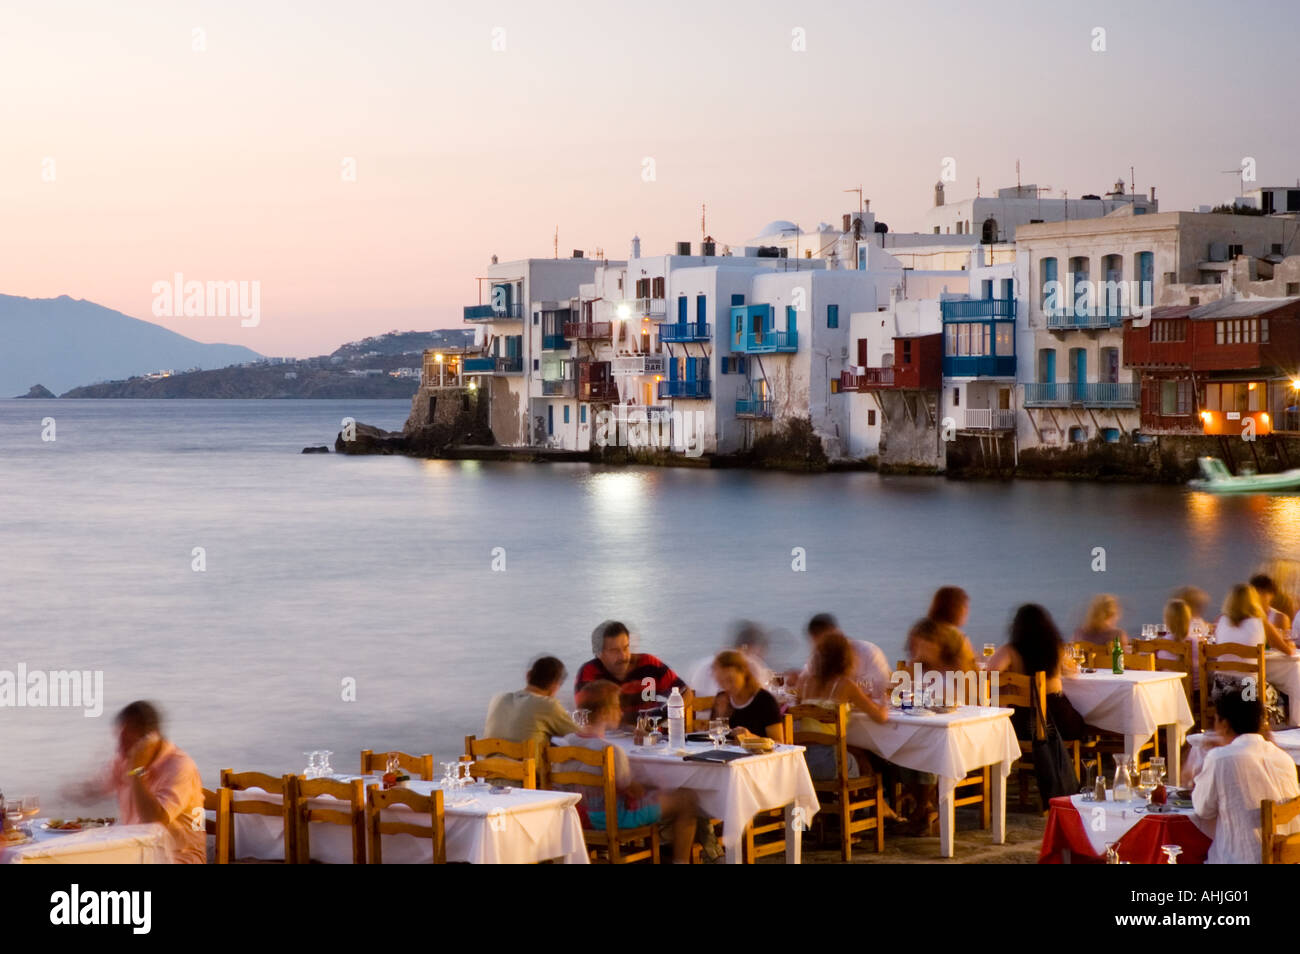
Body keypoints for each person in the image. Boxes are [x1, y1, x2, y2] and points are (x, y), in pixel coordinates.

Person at [552, 680, 705, 863]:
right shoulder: (610, 751)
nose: (622, 712)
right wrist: (657, 784)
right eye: (617, 706)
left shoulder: (563, 743)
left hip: (576, 819)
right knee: (687, 799)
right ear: (605, 713)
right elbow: (634, 790)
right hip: (610, 819)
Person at [65, 701, 204, 864]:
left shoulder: (180, 766)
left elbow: (154, 820)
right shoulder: (124, 760)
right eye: (119, 739)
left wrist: (137, 771)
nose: (119, 748)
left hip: (177, 857)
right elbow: (93, 791)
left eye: (126, 740)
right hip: (137, 852)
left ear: (149, 739)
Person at [1192, 687, 1300, 864]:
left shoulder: (1221, 758)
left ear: (1224, 724)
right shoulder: (1284, 758)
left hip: (1240, 859)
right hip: (1288, 859)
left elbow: (1203, 809)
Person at [987, 604, 1087, 740]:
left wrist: (1008, 678)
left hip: (1024, 723)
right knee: (1082, 722)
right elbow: (1072, 671)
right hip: (1058, 720)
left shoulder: (1010, 650)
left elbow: (989, 672)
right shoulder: (1056, 648)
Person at [574, 620, 686, 727]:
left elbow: (685, 692)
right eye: (614, 651)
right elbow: (586, 716)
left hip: (652, 740)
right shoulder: (589, 673)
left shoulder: (649, 664)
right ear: (599, 653)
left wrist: (662, 715)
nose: (623, 656)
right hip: (609, 743)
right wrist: (637, 722)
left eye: (625, 648)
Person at [483, 655, 578, 753]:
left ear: (528, 675)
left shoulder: (497, 699)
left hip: (487, 767)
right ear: (555, 685)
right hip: (526, 768)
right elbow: (580, 737)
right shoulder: (547, 704)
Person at [787, 613, 891, 701]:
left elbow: (881, 689)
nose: (821, 649)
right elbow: (806, 681)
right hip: (836, 713)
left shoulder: (869, 652)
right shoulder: (818, 656)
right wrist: (797, 680)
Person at [710, 651, 784, 742]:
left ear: (743, 672)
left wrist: (750, 737)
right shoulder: (722, 699)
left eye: (730, 680)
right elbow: (716, 738)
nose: (727, 687)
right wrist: (720, 715)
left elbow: (779, 742)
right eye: (721, 682)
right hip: (731, 755)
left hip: (759, 755)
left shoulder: (764, 700)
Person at [685, 621, 772, 698]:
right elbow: (761, 695)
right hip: (732, 714)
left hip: (697, 714)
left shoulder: (702, 664)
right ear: (749, 647)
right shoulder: (750, 664)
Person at [1216, 583, 1295, 655]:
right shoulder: (1261, 622)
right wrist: (1291, 646)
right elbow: (1288, 651)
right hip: (1250, 670)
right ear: (1253, 601)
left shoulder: (1222, 621)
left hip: (1222, 670)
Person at [925, 585, 977, 662]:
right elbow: (970, 665)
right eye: (965, 606)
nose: (967, 611)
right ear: (956, 609)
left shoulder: (921, 632)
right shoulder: (956, 637)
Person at [1250, 574, 1295, 646]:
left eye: (1263, 593)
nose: (1259, 597)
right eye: (1256, 593)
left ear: (1272, 595)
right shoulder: (1244, 615)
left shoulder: (1280, 618)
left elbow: (1286, 645)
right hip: (1251, 656)